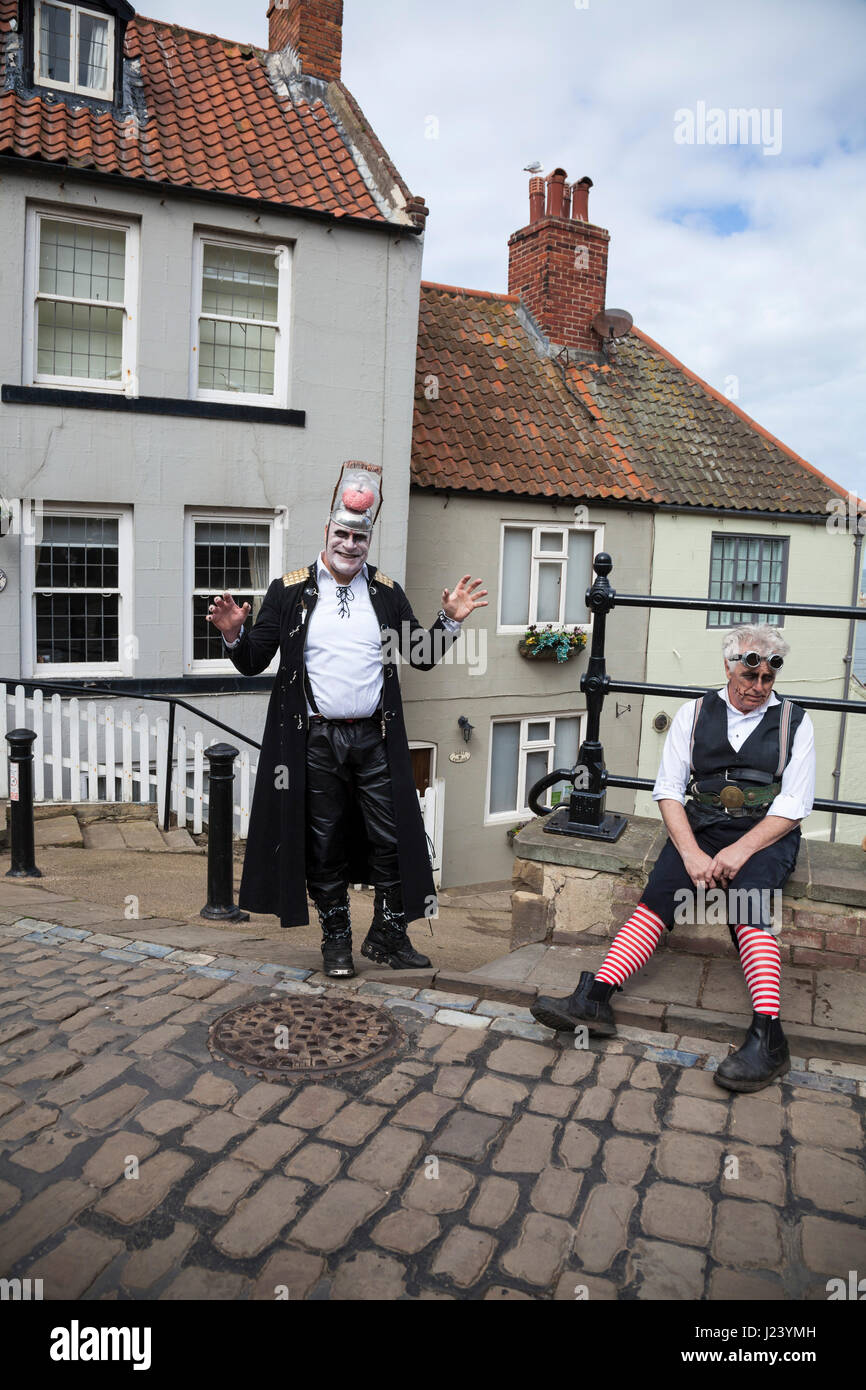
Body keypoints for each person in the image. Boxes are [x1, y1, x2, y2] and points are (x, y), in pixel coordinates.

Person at [206, 462, 487, 978]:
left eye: (360, 536)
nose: (351, 544)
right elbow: (253, 661)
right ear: (327, 533)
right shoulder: (289, 591)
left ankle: (387, 934)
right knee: (322, 841)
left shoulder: (385, 591)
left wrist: (449, 620)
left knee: (394, 835)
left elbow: (420, 654)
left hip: (374, 738)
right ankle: (336, 940)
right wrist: (231, 634)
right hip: (313, 740)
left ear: (368, 540)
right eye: (342, 533)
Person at [531, 624, 815, 1093]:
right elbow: (668, 791)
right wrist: (691, 853)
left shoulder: (794, 721)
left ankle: (768, 1038)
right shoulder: (693, 714)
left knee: (748, 906)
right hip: (701, 824)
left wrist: (741, 849)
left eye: (767, 680)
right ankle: (596, 999)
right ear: (728, 667)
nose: (758, 689)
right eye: (750, 677)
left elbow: (794, 804)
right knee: (659, 897)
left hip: (764, 833)